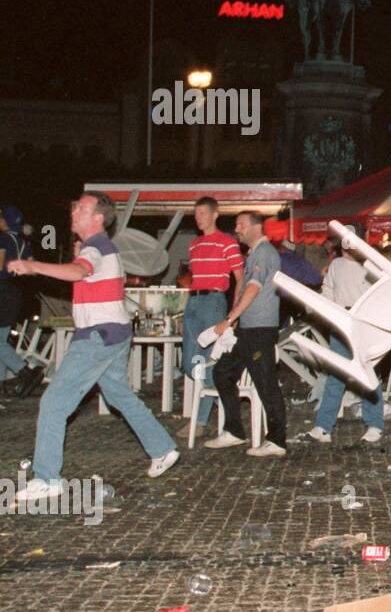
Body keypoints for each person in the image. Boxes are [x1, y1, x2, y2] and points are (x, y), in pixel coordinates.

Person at [9, 193, 179, 500]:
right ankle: (163, 448)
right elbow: (84, 270)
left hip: (97, 336)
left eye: (82, 209)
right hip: (114, 333)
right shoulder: (98, 247)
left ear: (98, 217)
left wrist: (33, 266)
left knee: (53, 402)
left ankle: (47, 478)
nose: (74, 212)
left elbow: (79, 272)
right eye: (74, 207)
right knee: (119, 395)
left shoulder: (96, 246)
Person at [204, 212, 289, 457]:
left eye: (242, 224)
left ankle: (277, 440)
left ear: (257, 227)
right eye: (237, 225)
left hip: (260, 329)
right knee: (222, 372)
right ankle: (234, 431)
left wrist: (230, 318)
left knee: (265, 383)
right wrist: (235, 318)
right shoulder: (254, 254)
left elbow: (253, 288)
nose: (237, 229)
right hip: (247, 329)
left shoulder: (264, 253)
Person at [307, 227, 383, 444]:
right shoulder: (336, 264)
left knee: (367, 374)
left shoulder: (370, 266)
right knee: (336, 375)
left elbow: (378, 297)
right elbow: (328, 289)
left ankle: (375, 424)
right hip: (340, 323)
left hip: (362, 325)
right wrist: (326, 307)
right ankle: (323, 426)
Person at [182, 197, 244, 430]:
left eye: (203, 213)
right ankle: (224, 397)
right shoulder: (194, 244)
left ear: (214, 215)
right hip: (194, 300)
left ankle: (199, 420)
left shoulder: (227, 242)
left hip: (214, 301)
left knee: (207, 360)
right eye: (196, 213)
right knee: (190, 363)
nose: (199, 218)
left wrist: (233, 314)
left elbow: (240, 278)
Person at [0, 205, 42, 394]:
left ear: (5, 221)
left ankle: (25, 371)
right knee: (1, 339)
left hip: (2, 289)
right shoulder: (24, 242)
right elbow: (32, 268)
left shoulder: (2, 239)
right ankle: (1, 386)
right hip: (15, 292)